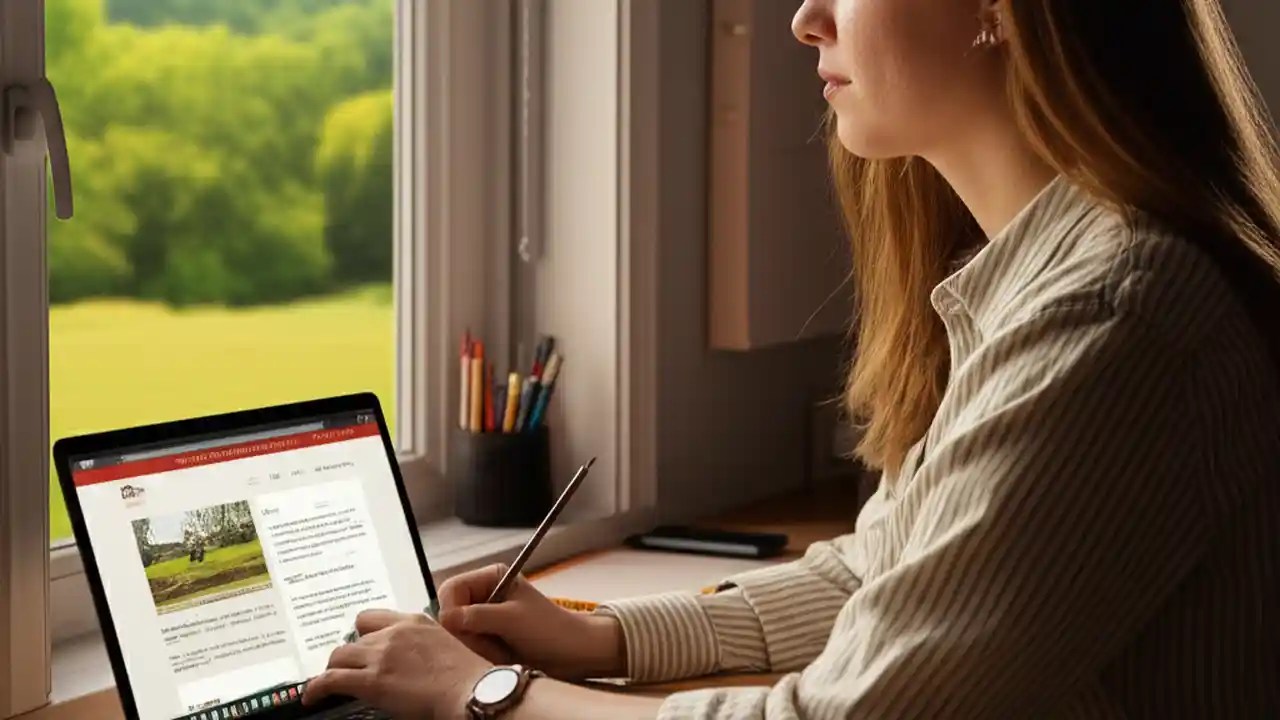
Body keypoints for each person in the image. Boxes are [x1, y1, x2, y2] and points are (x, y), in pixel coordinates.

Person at [303, 0, 1280, 716]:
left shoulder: (1114, 315)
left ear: (997, 10)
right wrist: (601, 634)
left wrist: (479, 694)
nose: (805, 19)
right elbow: (885, 576)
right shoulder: (1047, 281)